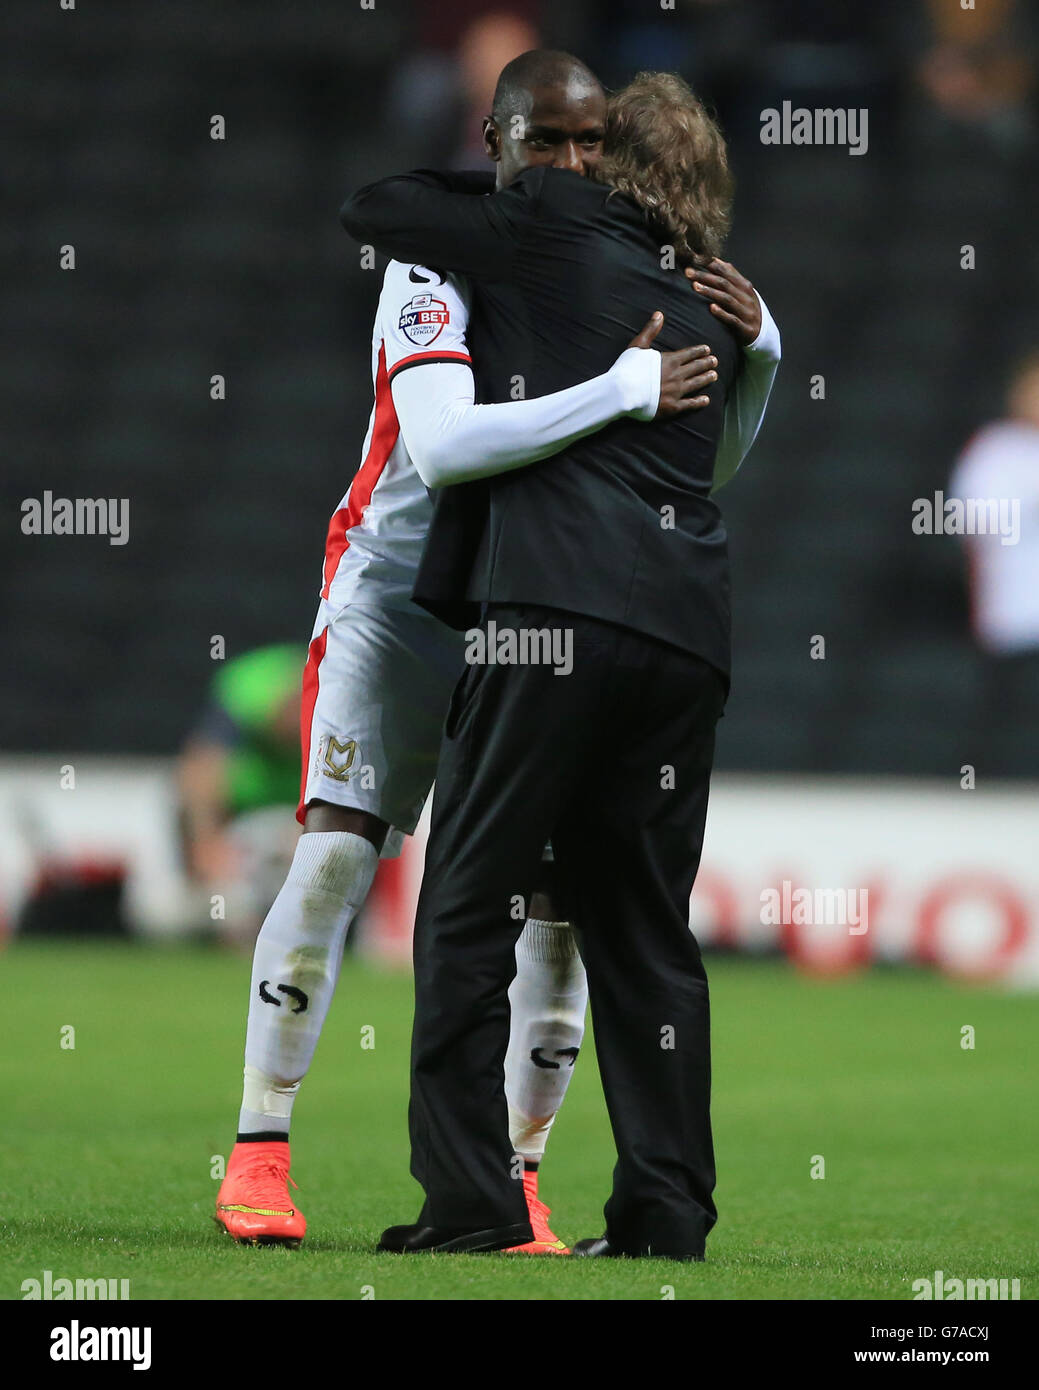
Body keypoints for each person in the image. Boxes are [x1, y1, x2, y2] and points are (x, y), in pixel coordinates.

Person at [214, 54, 776, 1254]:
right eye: (552, 144)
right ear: (502, 141)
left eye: (591, 148)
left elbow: (684, 456)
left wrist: (754, 352)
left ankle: (516, 1177)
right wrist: (623, 388)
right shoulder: (439, 257)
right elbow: (450, 445)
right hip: (396, 596)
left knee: (558, 913)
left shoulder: (597, 266)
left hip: (520, 600)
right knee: (335, 857)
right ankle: (260, 1147)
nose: (572, 167)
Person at [178, 644, 304, 945]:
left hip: (290, 819)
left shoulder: (336, 711)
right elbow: (201, 768)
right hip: (240, 818)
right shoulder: (247, 693)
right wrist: (207, 841)